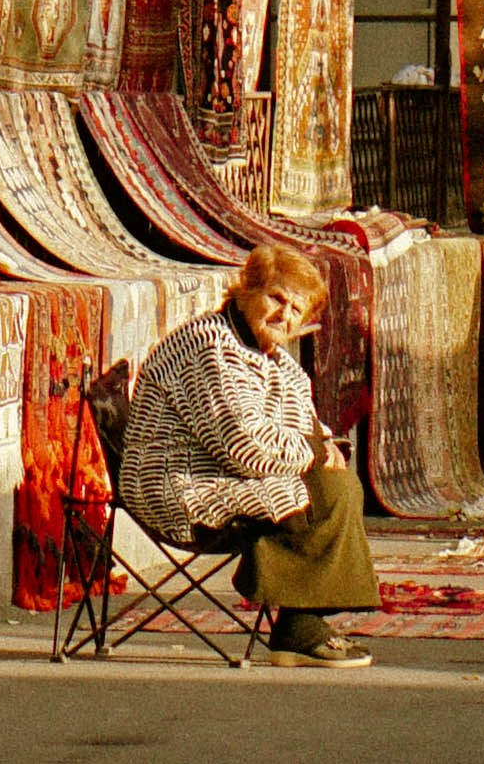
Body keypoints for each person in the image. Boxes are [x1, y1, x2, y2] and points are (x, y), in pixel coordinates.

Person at [118, 241, 379, 666]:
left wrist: (325, 442)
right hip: (177, 483)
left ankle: (301, 624)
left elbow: (302, 418)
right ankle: (299, 629)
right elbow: (246, 446)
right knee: (324, 489)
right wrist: (316, 450)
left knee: (333, 482)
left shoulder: (269, 354)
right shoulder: (211, 347)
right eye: (277, 298)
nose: (285, 315)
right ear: (246, 290)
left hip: (223, 473)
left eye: (297, 310)